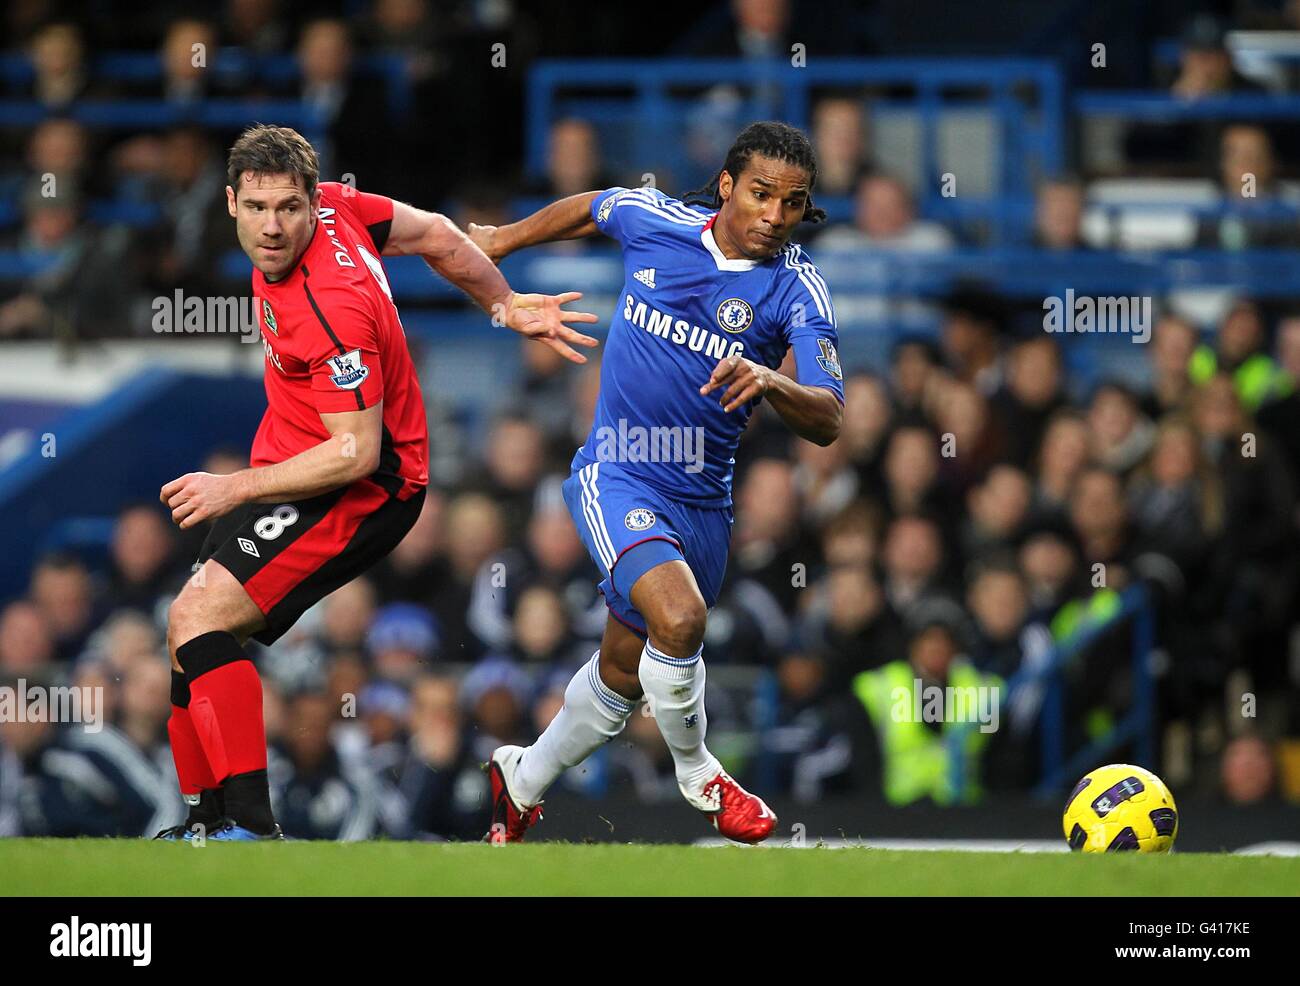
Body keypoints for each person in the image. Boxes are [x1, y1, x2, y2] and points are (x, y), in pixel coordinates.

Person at [155, 124, 597, 841]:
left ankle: (244, 830)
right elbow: (439, 235)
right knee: (187, 626)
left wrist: (234, 487)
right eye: (260, 207)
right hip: (297, 456)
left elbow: (355, 454)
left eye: (288, 210)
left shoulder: (332, 309)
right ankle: (204, 824)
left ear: (308, 203)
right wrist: (502, 301)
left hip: (365, 486)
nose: (273, 226)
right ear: (232, 202)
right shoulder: (339, 204)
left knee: (200, 619)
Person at [468, 121, 844, 843]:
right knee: (681, 620)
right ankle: (702, 774)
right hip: (619, 471)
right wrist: (507, 239)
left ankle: (522, 779)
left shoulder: (798, 289)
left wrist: (770, 378)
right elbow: (594, 205)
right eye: (761, 194)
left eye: (793, 203)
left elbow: (829, 418)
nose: (774, 215)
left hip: (704, 502)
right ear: (729, 185)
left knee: (621, 670)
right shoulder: (659, 222)